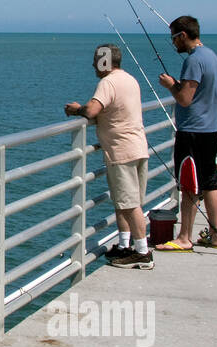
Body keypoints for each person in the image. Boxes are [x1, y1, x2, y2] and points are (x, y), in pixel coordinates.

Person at [65, 44, 153, 269]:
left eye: (96, 60)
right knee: (123, 201)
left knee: (130, 203)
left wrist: (76, 109)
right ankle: (125, 245)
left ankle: (143, 253)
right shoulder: (129, 79)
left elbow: (92, 110)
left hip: (121, 151)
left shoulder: (108, 82)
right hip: (138, 147)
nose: (93, 64)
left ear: (105, 62)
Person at [155, 15, 217, 251]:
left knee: (188, 184)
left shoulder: (194, 61)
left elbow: (184, 98)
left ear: (183, 35)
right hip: (210, 128)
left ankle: (184, 237)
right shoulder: (212, 56)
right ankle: (216, 237)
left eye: (174, 38)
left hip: (193, 131)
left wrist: (171, 84)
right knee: (209, 183)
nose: (173, 43)